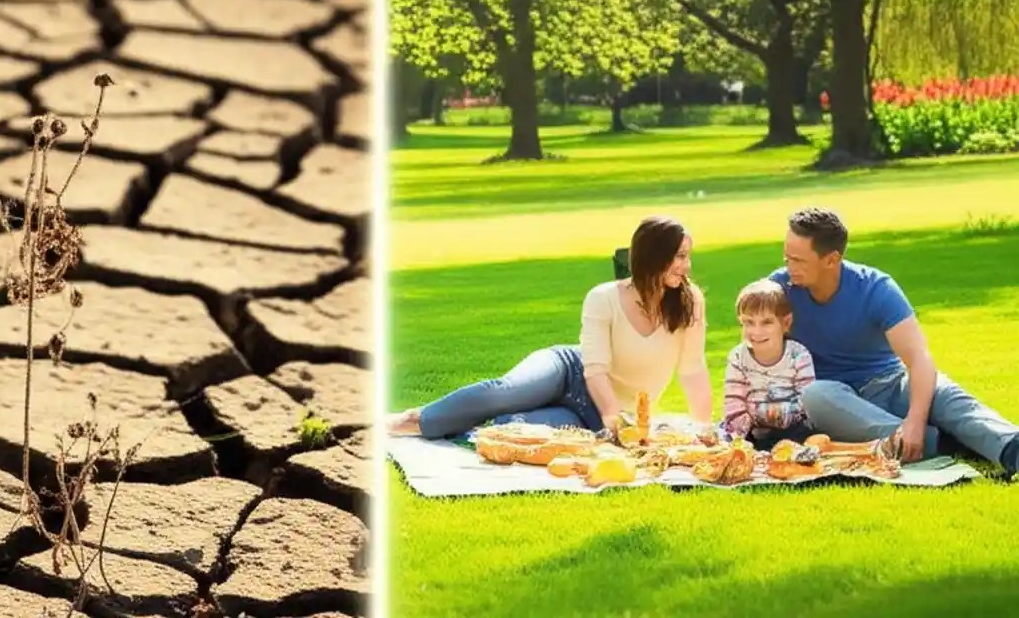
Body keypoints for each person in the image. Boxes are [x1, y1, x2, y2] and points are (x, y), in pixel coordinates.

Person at [386, 216, 713, 439]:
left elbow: (693, 370)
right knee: (504, 392)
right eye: (679, 257)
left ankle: (460, 423)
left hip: (597, 417)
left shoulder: (690, 303)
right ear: (653, 256)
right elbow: (595, 369)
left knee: (507, 426)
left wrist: (703, 428)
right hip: (569, 370)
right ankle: (415, 419)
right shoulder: (604, 297)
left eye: (688, 256)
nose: (687, 266)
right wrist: (614, 418)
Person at [770, 206, 1019, 478]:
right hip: (838, 402)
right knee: (814, 395)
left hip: (888, 384)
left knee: (946, 395)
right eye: (787, 258)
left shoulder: (875, 288)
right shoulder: (779, 292)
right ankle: (944, 443)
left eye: (798, 261)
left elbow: (919, 358)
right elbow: (754, 348)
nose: (788, 267)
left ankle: (1009, 446)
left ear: (831, 260)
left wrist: (914, 418)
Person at [719, 279, 816, 450]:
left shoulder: (798, 355)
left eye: (767, 322)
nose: (756, 331)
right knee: (727, 441)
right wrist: (748, 430)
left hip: (793, 430)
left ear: (785, 323)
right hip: (751, 432)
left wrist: (776, 415)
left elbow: (807, 400)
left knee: (809, 439)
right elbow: (733, 404)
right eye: (749, 322)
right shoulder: (738, 357)